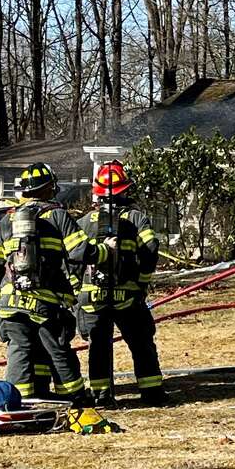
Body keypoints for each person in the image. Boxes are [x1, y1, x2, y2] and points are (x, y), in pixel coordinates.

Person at [0, 162, 92, 404]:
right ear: (50, 188)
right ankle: (75, 397)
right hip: (45, 302)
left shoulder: (7, 221)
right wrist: (103, 254)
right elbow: (80, 252)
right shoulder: (58, 216)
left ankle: (19, 400)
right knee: (57, 349)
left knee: (20, 349)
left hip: (9, 302)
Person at [76, 161, 166, 406]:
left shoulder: (84, 222)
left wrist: (76, 291)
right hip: (127, 295)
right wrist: (141, 283)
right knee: (141, 342)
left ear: (97, 191)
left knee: (99, 347)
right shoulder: (136, 217)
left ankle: (102, 396)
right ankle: (152, 393)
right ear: (125, 190)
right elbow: (151, 248)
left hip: (92, 297)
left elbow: (73, 257)